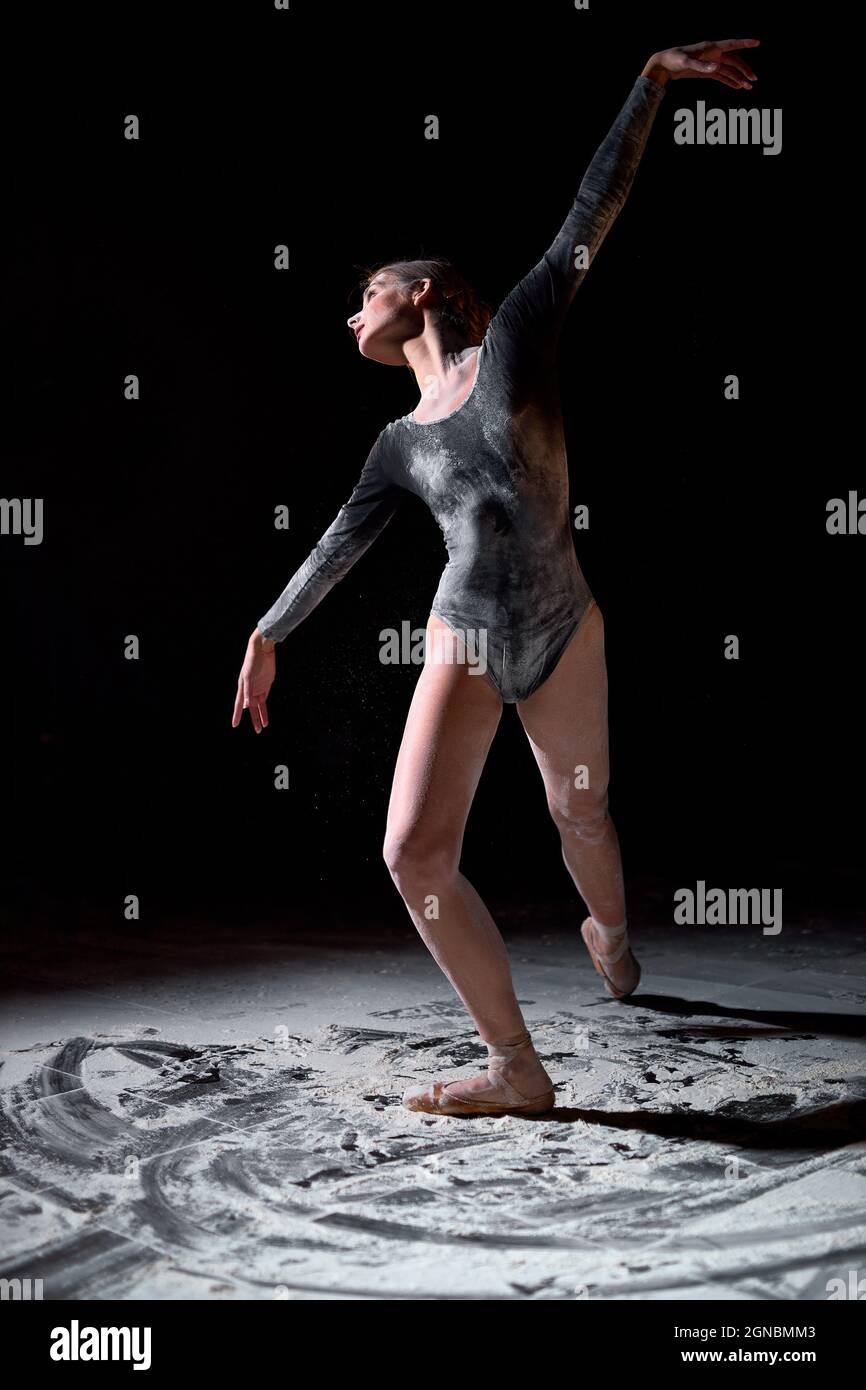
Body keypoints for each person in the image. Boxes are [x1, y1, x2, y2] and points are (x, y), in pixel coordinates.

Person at [232, 39, 760, 1116]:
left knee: (582, 819)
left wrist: (649, 81)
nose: (352, 310)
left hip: (564, 625)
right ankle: (516, 1064)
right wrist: (268, 630)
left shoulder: (514, 342)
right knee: (411, 850)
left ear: (421, 294)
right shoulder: (395, 443)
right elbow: (340, 539)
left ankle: (609, 937)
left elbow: (588, 213)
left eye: (367, 291)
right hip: (465, 633)